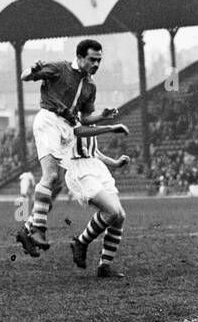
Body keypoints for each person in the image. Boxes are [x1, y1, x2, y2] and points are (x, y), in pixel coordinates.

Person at [15, 39, 118, 257]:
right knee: (50, 176)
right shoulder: (59, 68)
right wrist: (32, 69)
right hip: (49, 120)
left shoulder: (90, 86)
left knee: (57, 186)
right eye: (92, 59)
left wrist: (104, 115)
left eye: (99, 60)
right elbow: (25, 77)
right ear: (80, 57)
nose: (96, 64)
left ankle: (26, 230)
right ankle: (38, 229)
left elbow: (86, 117)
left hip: (67, 130)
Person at [66, 123, 132, 279]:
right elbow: (78, 131)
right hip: (79, 168)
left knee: (120, 216)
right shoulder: (71, 115)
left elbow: (93, 152)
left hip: (97, 168)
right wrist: (110, 126)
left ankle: (105, 266)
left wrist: (115, 163)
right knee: (111, 211)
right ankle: (80, 242)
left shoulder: (90, 119)